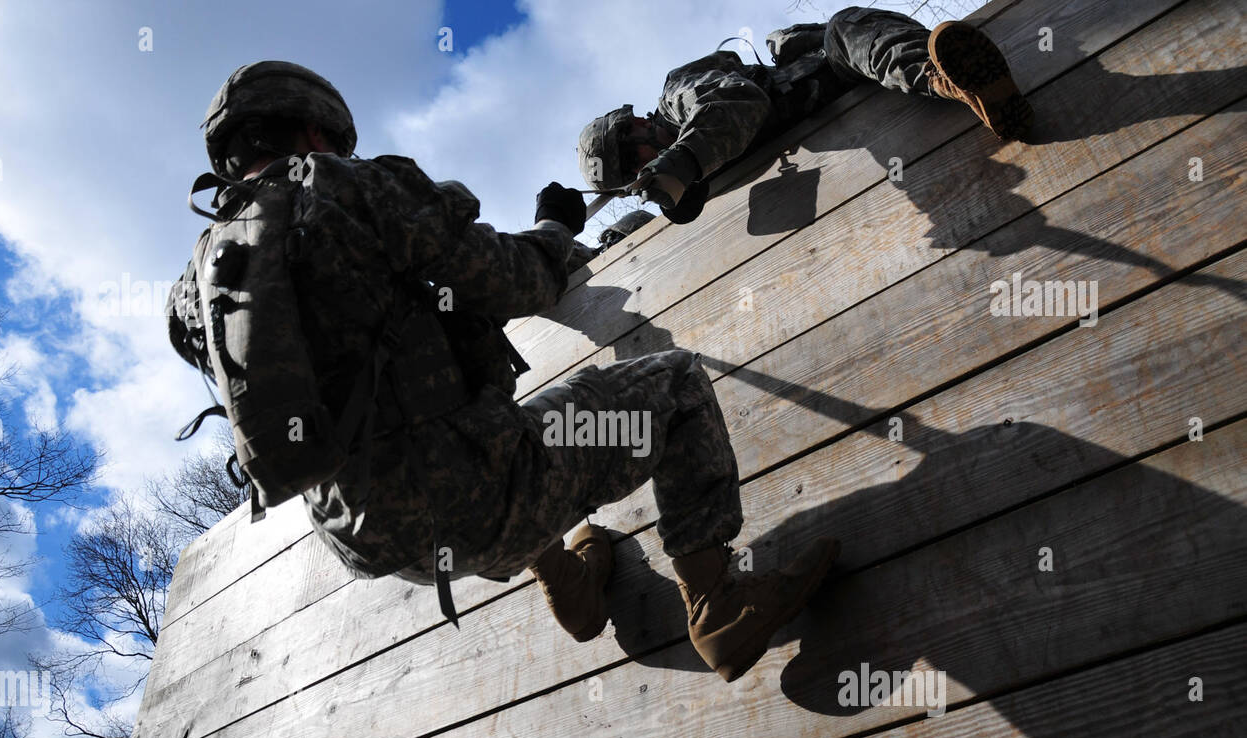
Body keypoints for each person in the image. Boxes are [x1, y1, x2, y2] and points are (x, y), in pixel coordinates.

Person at [172, 61, 838, 682]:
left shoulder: (202, 282)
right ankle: (718, 601)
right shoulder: (343, 189)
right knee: (676, 387)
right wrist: (554, 228)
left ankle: (570, 587)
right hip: (475, 493)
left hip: (376, 544)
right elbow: (515, 280)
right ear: (316, 129)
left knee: (500, 435)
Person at [578, 11, 1033, 219]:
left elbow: (739, 100)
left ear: (634, 127)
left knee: (843, 30)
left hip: (826, 78)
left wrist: (680, 163)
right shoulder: (673, 180)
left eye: (633, 160)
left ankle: (949, 79)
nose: (642, 170)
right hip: (831, 145)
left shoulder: (675, 99)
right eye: (632, 175)